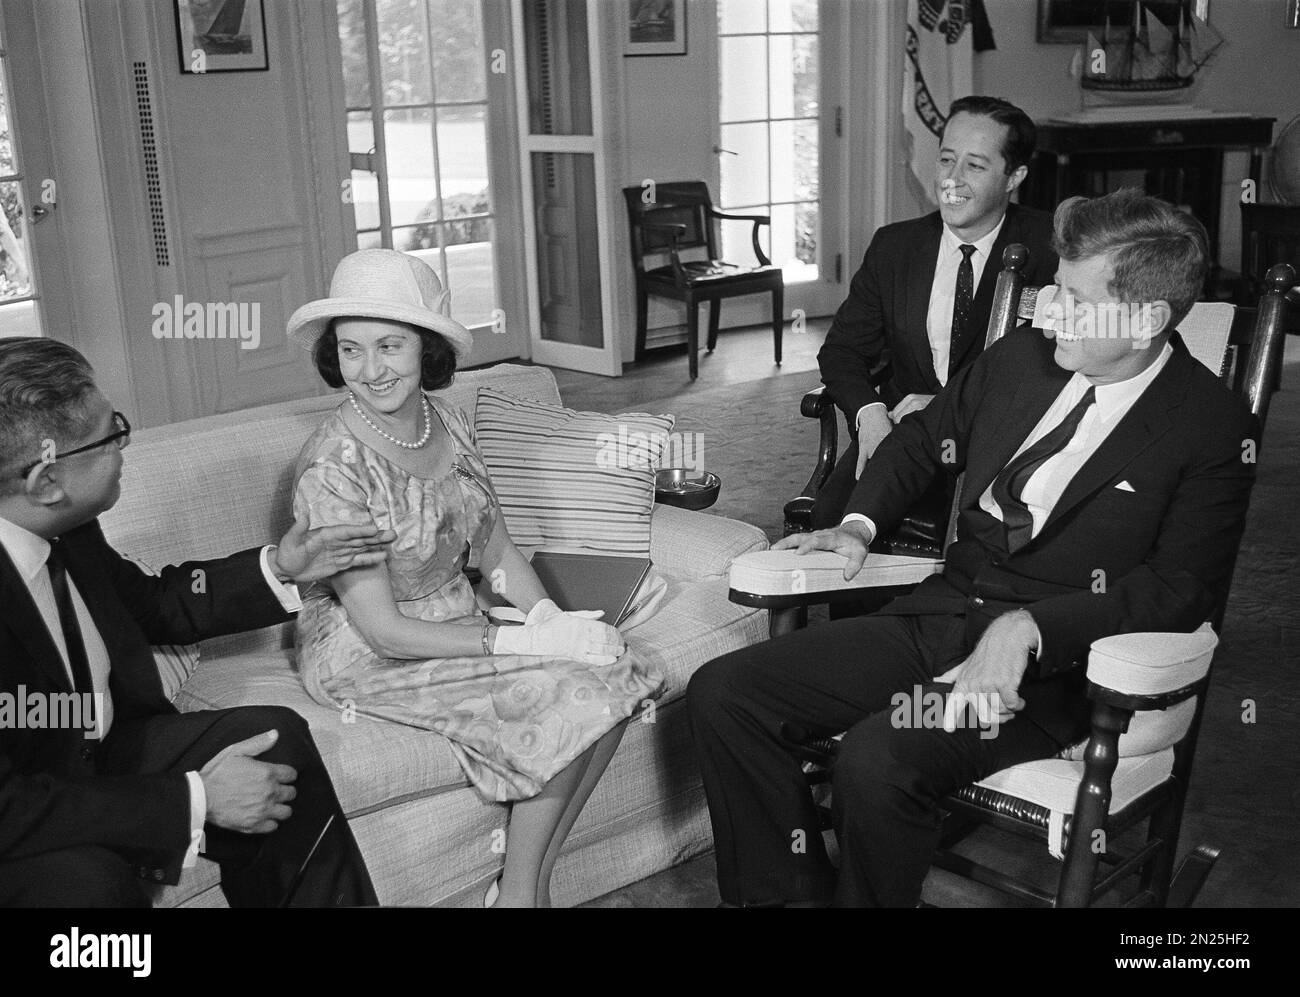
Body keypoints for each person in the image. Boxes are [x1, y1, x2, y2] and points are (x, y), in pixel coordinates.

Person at [688, 188, 1258, 907]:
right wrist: (858, 524)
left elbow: (1181, 587)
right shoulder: (1023, 358)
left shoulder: (1209, 426)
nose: (1050, 309)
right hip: (938, 617)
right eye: (1055, 287)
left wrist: (1033, 628)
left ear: (1145, 320)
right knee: (725, 692)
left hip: (1038, 679)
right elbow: (923, 442)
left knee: (879, 753)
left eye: (1076, 300)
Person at [286, 249, 664, 908]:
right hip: (363, 650)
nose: (369, 370)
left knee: (619, 666)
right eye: (351, 350)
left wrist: (548, 619)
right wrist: (520, 645)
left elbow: (494, 544)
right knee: (571, 693)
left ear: (426, 348)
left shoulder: (448, 424)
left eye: (389, 346)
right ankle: (520, 896)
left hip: (450, 613)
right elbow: (381, 628)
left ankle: (531, 880)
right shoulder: (333, 467)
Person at [0, 337, 392, 907]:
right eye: (112, 434)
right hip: (24, 803)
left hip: (97, 751)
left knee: (272, 740)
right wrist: (194, 799)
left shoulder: (68, 527)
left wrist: (284, 565)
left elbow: (154, 605)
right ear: (47, 482)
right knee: (88, 885)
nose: (124, 447)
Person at [813, 95, 1058, 531]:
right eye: (947, 159)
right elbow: (842, 352)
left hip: (1002, 445)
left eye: (975, 166)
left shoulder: (1053, 247)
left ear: (1014, 177)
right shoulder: (895, 247)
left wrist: (954, 407)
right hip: (898, 437)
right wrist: (868, 412)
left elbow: (1063, 370)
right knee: (831, 523)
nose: (952, 179)